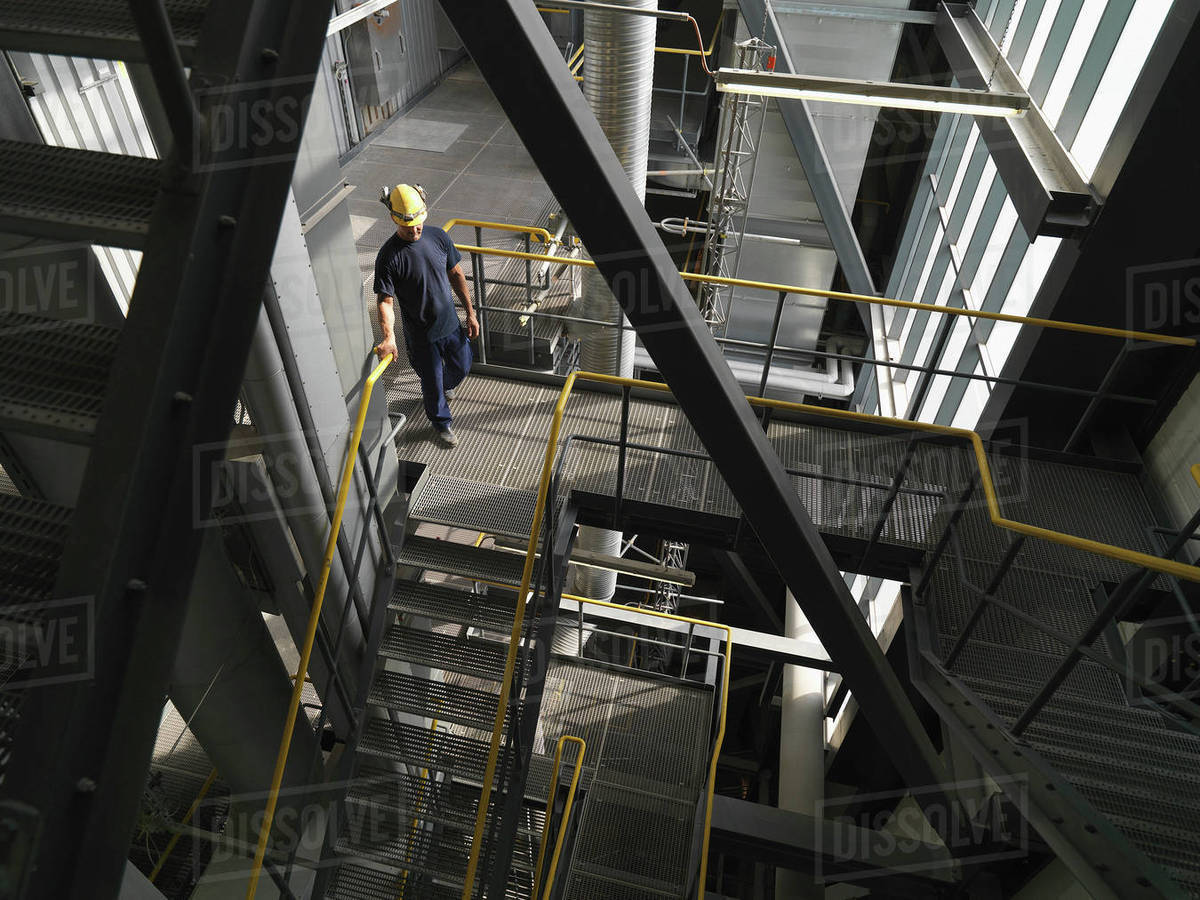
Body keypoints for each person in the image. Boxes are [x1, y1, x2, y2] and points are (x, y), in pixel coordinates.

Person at [373, 183, 479, 447]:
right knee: (431, 383)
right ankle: (441, 423)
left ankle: (442, 387)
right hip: (421, 336)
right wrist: (389, 338)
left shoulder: (439, 237)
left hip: (450, 325)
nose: (415, 230)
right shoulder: (388, 257)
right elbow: (385, 301)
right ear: (393, 219)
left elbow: (456, 274)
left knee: (463, 365)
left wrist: (471, 312)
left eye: (419, 224)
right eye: (408, 227)